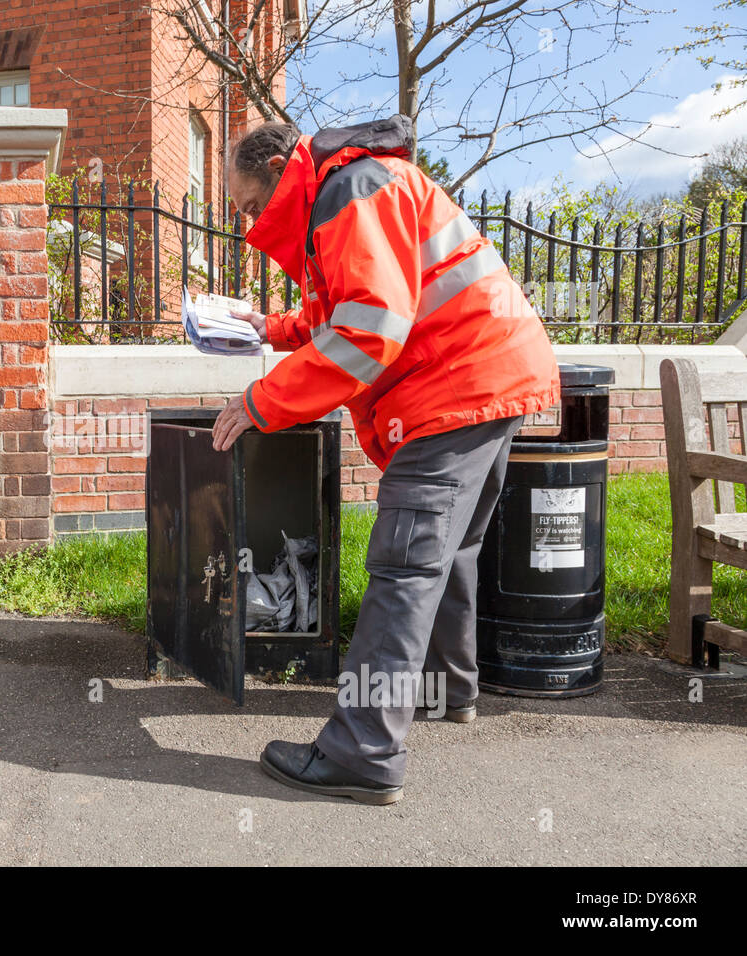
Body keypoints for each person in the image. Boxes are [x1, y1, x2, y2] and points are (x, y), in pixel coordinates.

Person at [212, 116, 560, 806]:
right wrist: (270, 328)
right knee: (450, 551)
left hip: (454, 384)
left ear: (285, 169)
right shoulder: (353, 187)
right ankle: (444, 690)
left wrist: (264, 401)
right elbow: (356, 304)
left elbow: (370, 329)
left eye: (252, 204)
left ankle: (363, 751)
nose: (251, 224)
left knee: (403, 565)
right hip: (489, 373)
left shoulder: (349, 188)